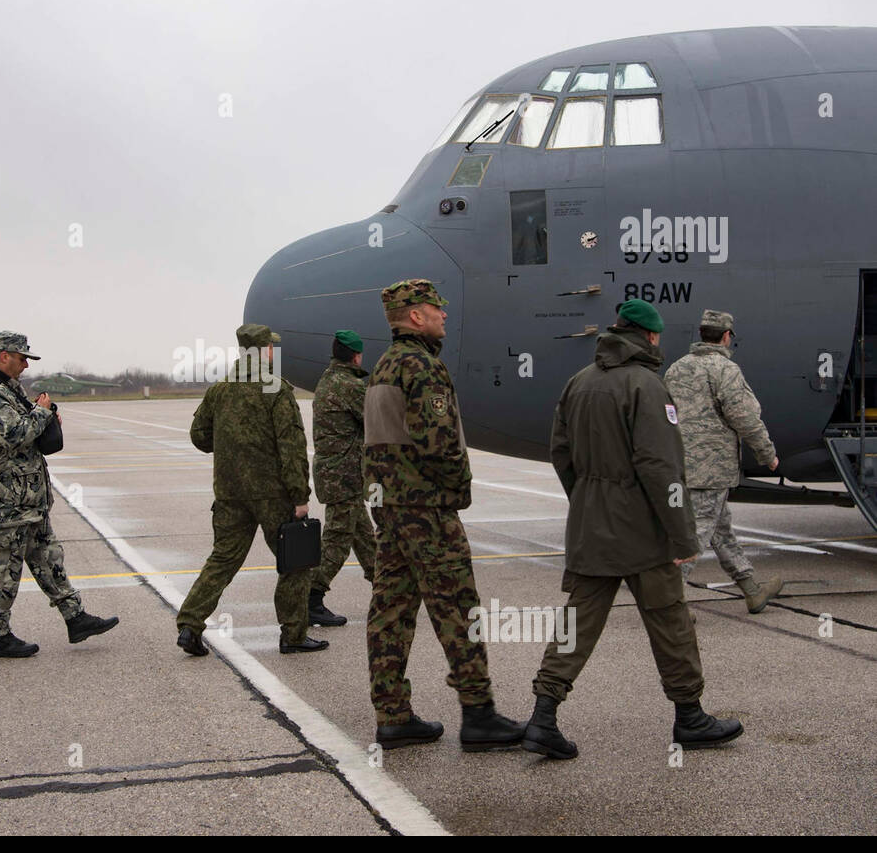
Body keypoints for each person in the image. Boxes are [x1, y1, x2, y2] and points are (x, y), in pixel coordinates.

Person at [522, 299, 743, 760]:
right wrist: (683, 536)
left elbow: (560, 453)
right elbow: (662, 469)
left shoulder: (578, 382)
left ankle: (543, 716)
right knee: (670, 621)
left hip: (591, 525)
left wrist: (587, 499)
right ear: (651, 338)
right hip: (642, 532)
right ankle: (690, 717)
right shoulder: (647, 386)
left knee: (576, 623)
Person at [363, 281, 524, 751]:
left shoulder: (382, 367)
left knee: (390, 611)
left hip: (390, 508)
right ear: (416, 316)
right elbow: (439, 445)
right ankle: (478, 715)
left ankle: (392, 715)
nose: (444, 316)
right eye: (437, 309)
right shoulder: (422, 367)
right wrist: (457, 490)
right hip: (426, 511)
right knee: (457, 608)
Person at [176, 324, 328, 656]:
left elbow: (199, 437)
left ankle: (190, 624)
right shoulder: (276, 389)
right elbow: (291, 447)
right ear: (264, 352)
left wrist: (232, 445)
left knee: (223, 559)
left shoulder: (220, 390)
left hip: (230, 493)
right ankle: (293, 634)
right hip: (272, 494)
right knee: (297, 563)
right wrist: (300, 497)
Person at [0, 332, 118, 658]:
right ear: (3, 356)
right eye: (22, 358)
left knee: (48, 556)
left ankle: (75, 617)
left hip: (28, 498)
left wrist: (45, 415)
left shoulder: (9, 391)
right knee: (4, 565)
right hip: (7, 499)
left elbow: (31, 432)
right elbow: (14, 434)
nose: (25, 364)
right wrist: (41, 413)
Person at [664, 309, 781, 613]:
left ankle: (752, 589)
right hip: (712, 469)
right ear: (727, 336)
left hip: (681, 464)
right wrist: (767, 454)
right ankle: (669, 604)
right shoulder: (725, 369)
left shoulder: (676, 369)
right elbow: (745, 417)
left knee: (720, 529)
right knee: (697, 535)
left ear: (701, 334)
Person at [309, 329, 376, 627]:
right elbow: (377, 419)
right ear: (356, 355)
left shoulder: (328, 379)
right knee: (338, 538)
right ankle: (311, 597)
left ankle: (388, 591)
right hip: (344, 475)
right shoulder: (349, 385)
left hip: (335, 472)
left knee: (364, 536)